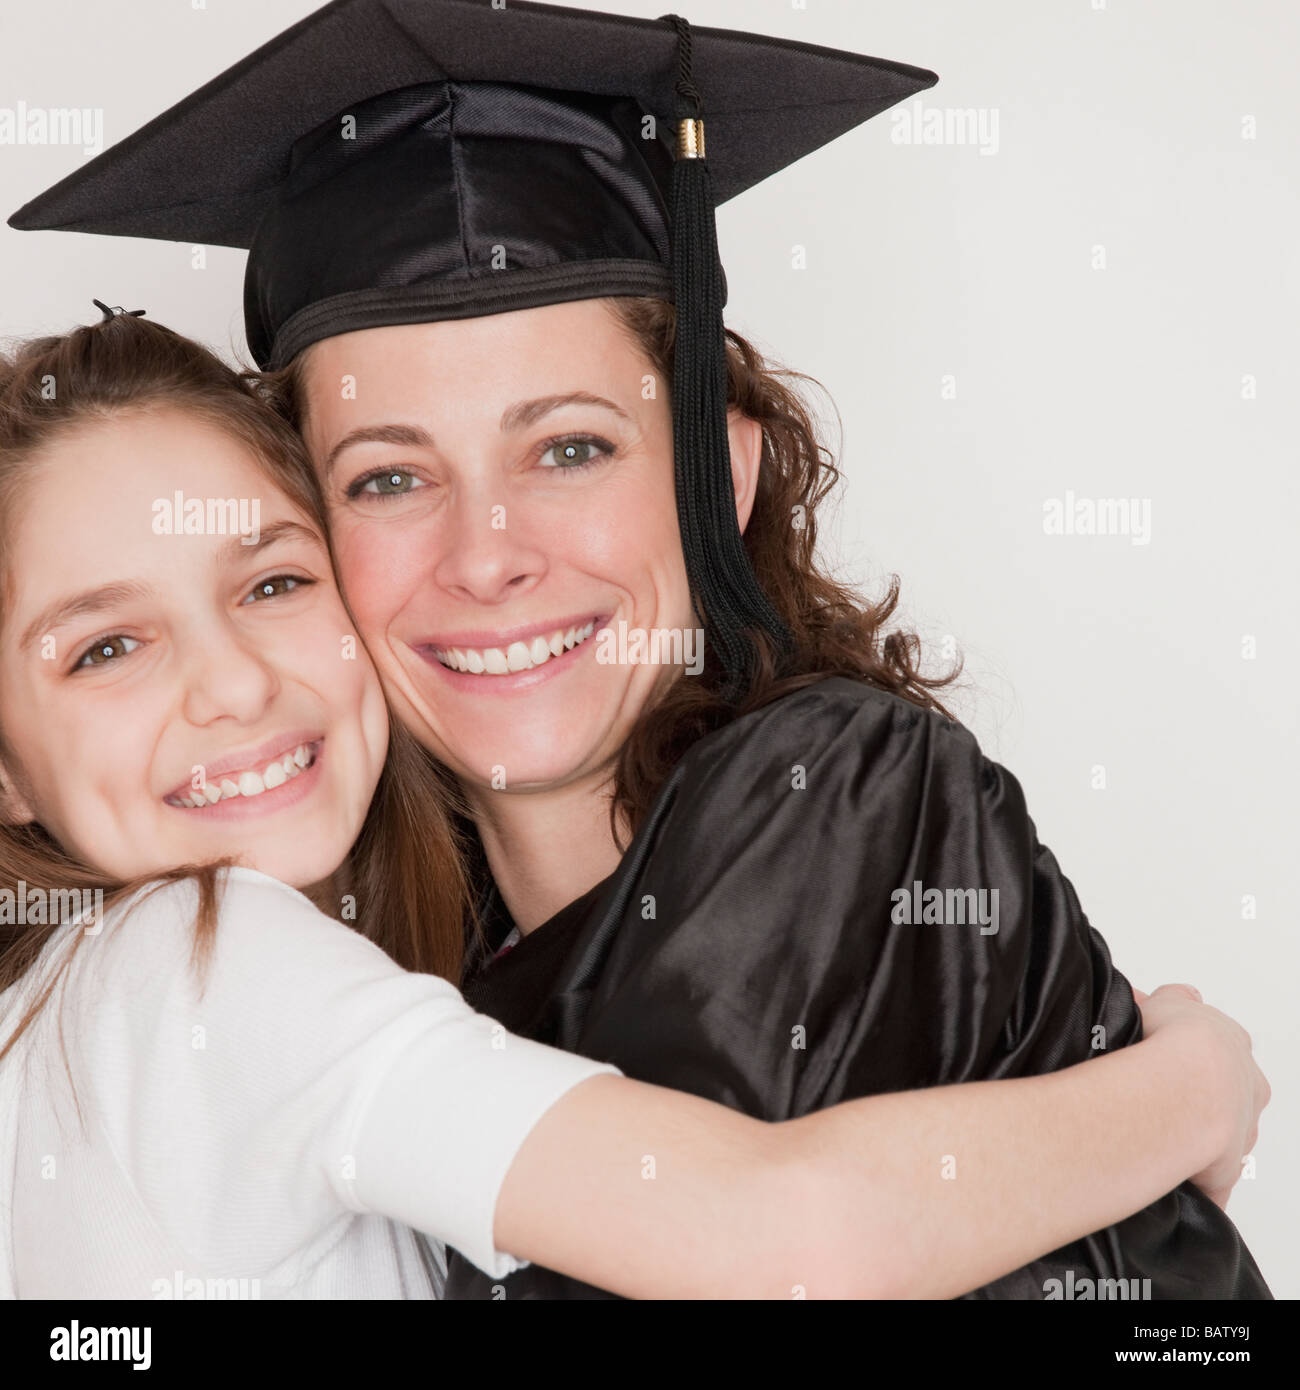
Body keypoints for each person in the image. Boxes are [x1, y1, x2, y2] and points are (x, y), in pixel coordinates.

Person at [8, 1, 1273, 1298]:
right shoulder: (380, 975)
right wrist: (1194, 1082)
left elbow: (798, 1239)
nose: (486, 552)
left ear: (715, 476)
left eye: (568, 447)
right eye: (390, 478)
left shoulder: (837, 803)